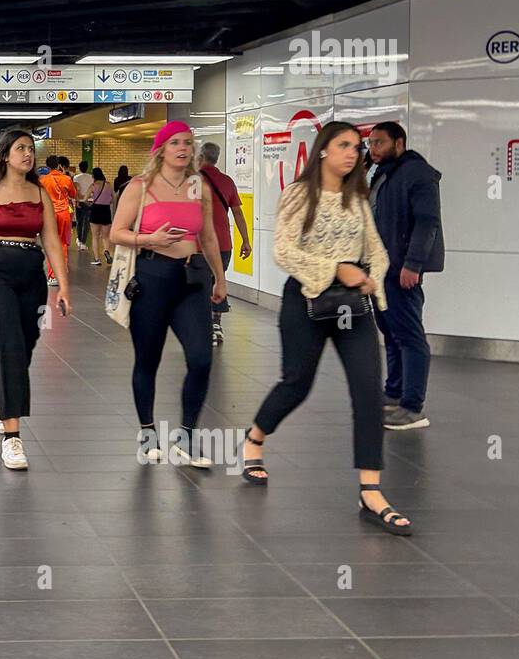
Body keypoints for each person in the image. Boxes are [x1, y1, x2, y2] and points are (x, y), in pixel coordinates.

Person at [244, 122, 411, 536]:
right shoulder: (300, 194)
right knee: (296, 383)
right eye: (343, 146)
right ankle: (255, 437)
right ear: (322, 151)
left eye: (357, 147)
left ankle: (370, 490)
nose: (353, 153)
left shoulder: (357, 197)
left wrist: (373, 277)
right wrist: (337, 268)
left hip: (352, 305)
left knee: (368, 391)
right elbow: (284, 250)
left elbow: (375, 247)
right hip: (305, 300)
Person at [110, 122, 226, 466]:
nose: (183, 149)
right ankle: (147, 434)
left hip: (191, 279)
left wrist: (220, 277)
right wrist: (149, 240)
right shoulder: (140, 187)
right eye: (175, 142)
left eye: (188, 143)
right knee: (148, 360)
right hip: (151, 277)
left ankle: (187, 439)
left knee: (202, 358)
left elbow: (207, 237)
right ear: (161, 149)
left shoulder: (198, 186)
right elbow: (116, 233)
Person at [0, 130, 71, 470]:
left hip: (30, 274)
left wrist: (62, 285)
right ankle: (12, 437)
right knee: (6, 345)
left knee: (25, 346)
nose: (27, 154)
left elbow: (51, 241)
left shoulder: (40, 192)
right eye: (20, 148)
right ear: (5, 155)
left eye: (30, 149)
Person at [368, 121, 444, 432]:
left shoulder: (418, 174)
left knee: (410, 335)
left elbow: (427, 222)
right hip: (383, 268)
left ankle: (413, 407)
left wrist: (413, 264)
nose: (373, 149)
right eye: (371, 143)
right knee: (391, 331)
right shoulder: (387, 173)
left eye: (380, 143)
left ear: (399, 143)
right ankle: (394, 392)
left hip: (402, 269)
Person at [197, 142, 253, 345]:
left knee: (201, 284)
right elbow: (238, 212)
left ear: (200, 157)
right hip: (223, 245)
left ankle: (204, 325)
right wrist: (246, 240)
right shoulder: (227, 181)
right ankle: (216, 324)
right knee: (217, 282)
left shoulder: (193, 181)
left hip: (199, 245)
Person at [38, 154, 77, 287]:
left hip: (49, 214)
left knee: (51, 244)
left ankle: (52, 276)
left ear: (48, 166)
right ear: (59, 165)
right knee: (63, 243)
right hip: (64, 213)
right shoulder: (66, 179)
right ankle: (62, 273)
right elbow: (73, 194)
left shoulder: (43, 180)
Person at [85, 166, 114, 265]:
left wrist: (89, 203)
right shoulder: (109, 185)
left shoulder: (93, 185)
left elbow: (85, 199)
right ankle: (106, 251)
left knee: (95, 236)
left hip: (96, 210)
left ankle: (97, 259)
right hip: (106, 211)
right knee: (106, 236)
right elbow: (113, 199)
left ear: (93, 176)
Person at [73, 160, 94, 251]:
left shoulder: (76, 177)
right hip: (89, 202)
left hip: (79, 202)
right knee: (86, 223)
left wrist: (77, 200)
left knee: (79, 221)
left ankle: (79, 238)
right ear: (87, 167)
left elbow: (75, 190)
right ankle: (83, 242)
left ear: (80, 168)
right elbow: (92, 190)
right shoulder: (92, 177)